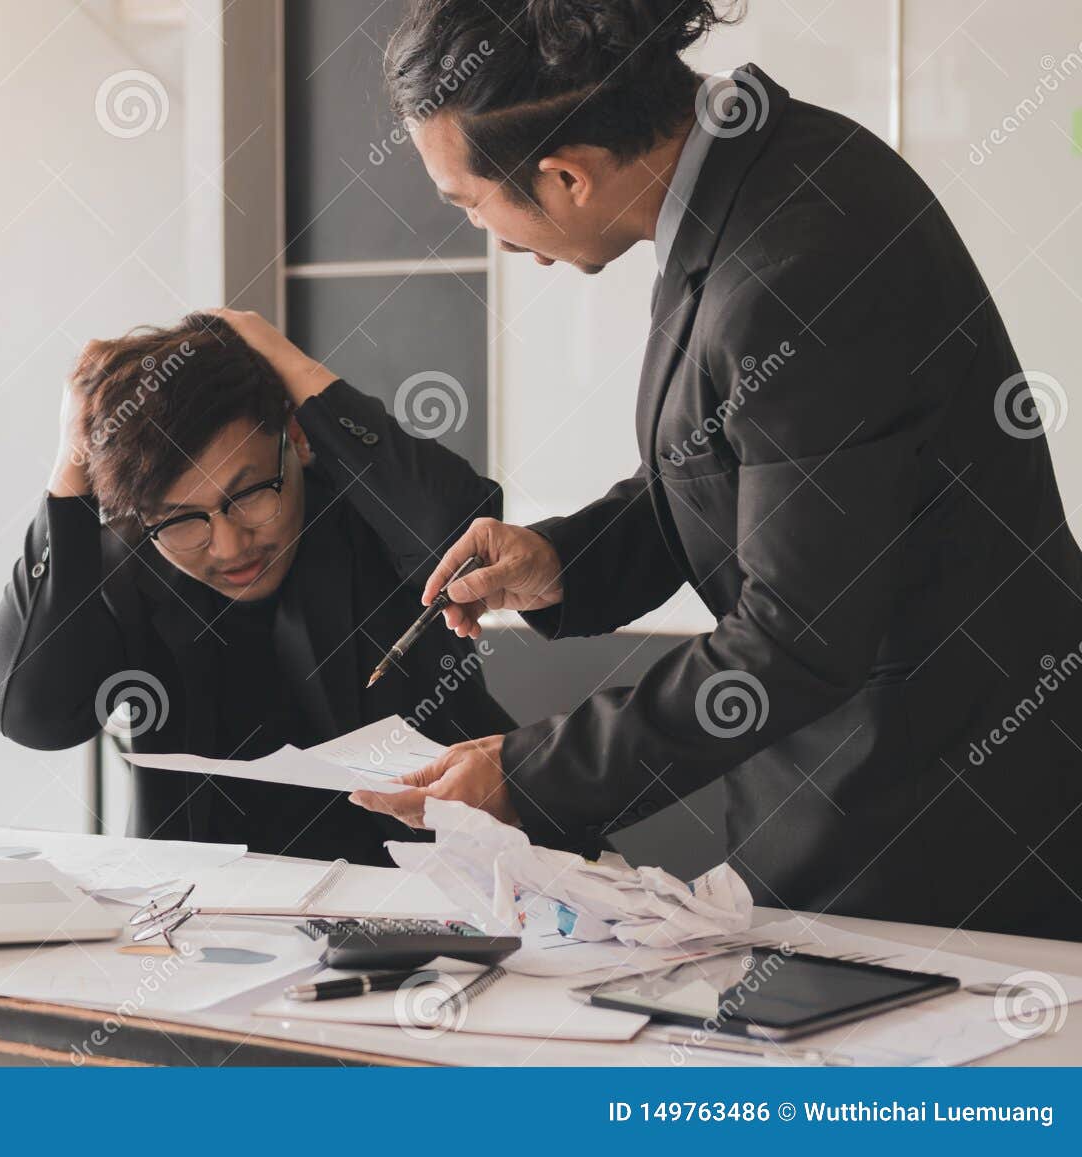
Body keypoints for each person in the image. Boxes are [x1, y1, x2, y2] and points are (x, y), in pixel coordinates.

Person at [298, 0, 1080, 939]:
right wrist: (560, 558)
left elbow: (797, 637)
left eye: (471, 205)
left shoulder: (795, 260)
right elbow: (735, 466)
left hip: (935, 828)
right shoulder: (762, 170)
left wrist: (531, 773)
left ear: (567, 176)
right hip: (866, 795)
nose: (493, 238)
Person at [0, 312, 517, 865]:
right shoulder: (126, 563)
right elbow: (30, 713)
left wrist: (290, 365)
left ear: (295, 437)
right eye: (181, 519)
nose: (231, 547)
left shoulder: (374, 512)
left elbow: (465, 540)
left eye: (252, 493)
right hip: (204, 915)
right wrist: (71, 471)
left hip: (452, 891)